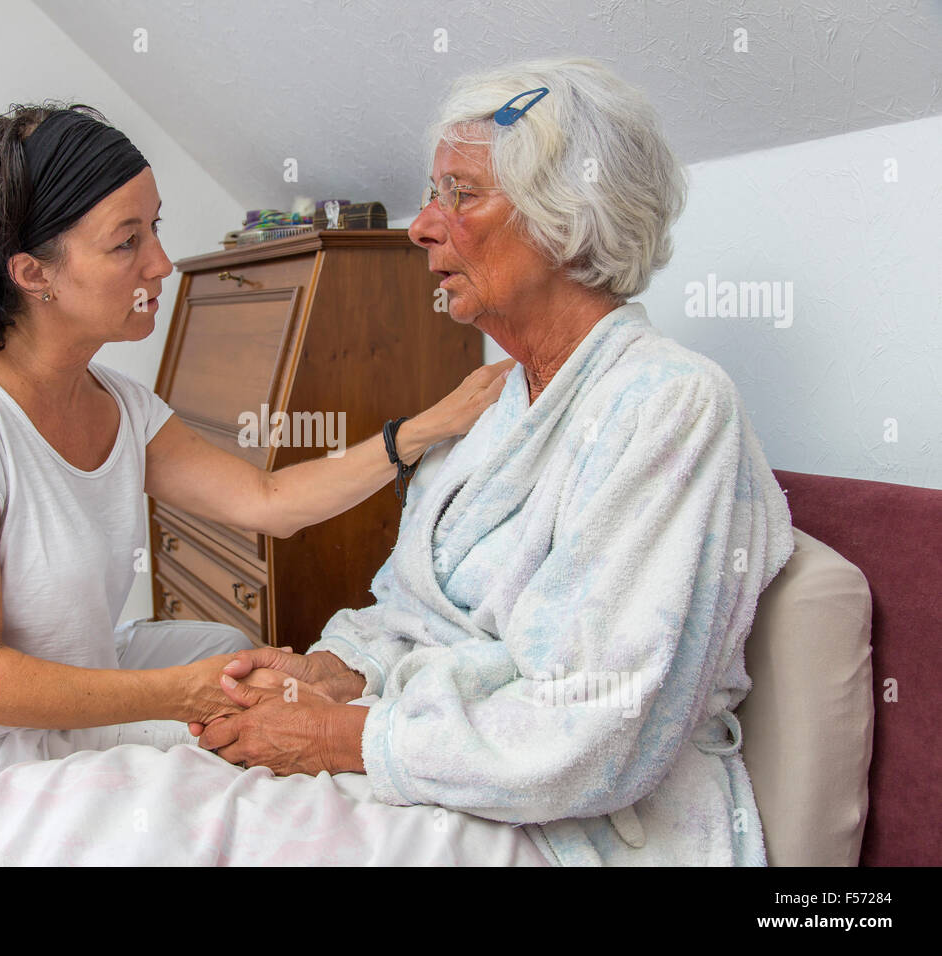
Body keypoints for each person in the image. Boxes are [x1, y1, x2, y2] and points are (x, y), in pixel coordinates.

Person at [200, 58, 795, 866]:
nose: (419, 226)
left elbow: (597, 730)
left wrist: (340, 735)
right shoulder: (496, 400)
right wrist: (336, 669)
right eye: (430, 192)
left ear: (568, 219)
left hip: (563, 818)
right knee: (166, 785)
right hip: (419, 749)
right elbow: (410, 608)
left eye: (460, 193)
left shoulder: (672, 404)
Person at [0, 103, 510, 806]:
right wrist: (176, 695)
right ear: (35, 272)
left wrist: (428, 427)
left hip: (67, 687)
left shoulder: (119, 405)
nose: (161, 263)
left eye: (153, 227)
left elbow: (269, 503)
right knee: (235, 744)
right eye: (126, 242)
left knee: (226, 648)